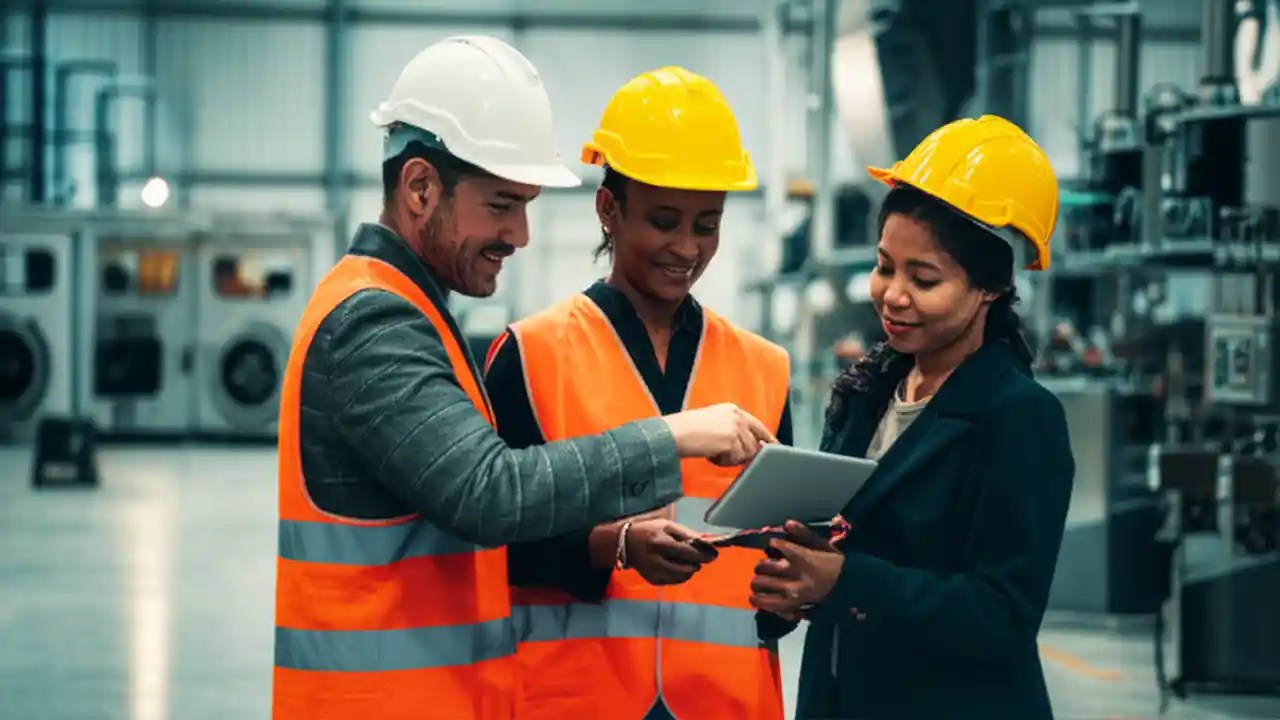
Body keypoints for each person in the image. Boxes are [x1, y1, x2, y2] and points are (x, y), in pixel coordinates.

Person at [271, 38, 777, 720]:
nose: (521, 234)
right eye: (502, 205)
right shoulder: (376, 324)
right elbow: (491, 492)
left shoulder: (414, 313)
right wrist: (669, 438)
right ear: (421, 187)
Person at [482, 66, 792, 720]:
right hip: (570, 700)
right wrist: (611, 546)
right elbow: (487, 546)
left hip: (724, 702)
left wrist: (795, 594)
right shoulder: (530, 357)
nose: (687, 247)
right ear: (608, 209)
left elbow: (776, 565)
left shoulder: (766, 370)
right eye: (665, 221)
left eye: (708, 224)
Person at [749, 115, 1076, 719]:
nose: (892, 294)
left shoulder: (1019, 419)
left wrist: (842, 581)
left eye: (923, 278)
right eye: (884, 266)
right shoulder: (865, 392)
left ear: (991, 287)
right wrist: (786, 590)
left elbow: (1001, 616)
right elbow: (834, 545)